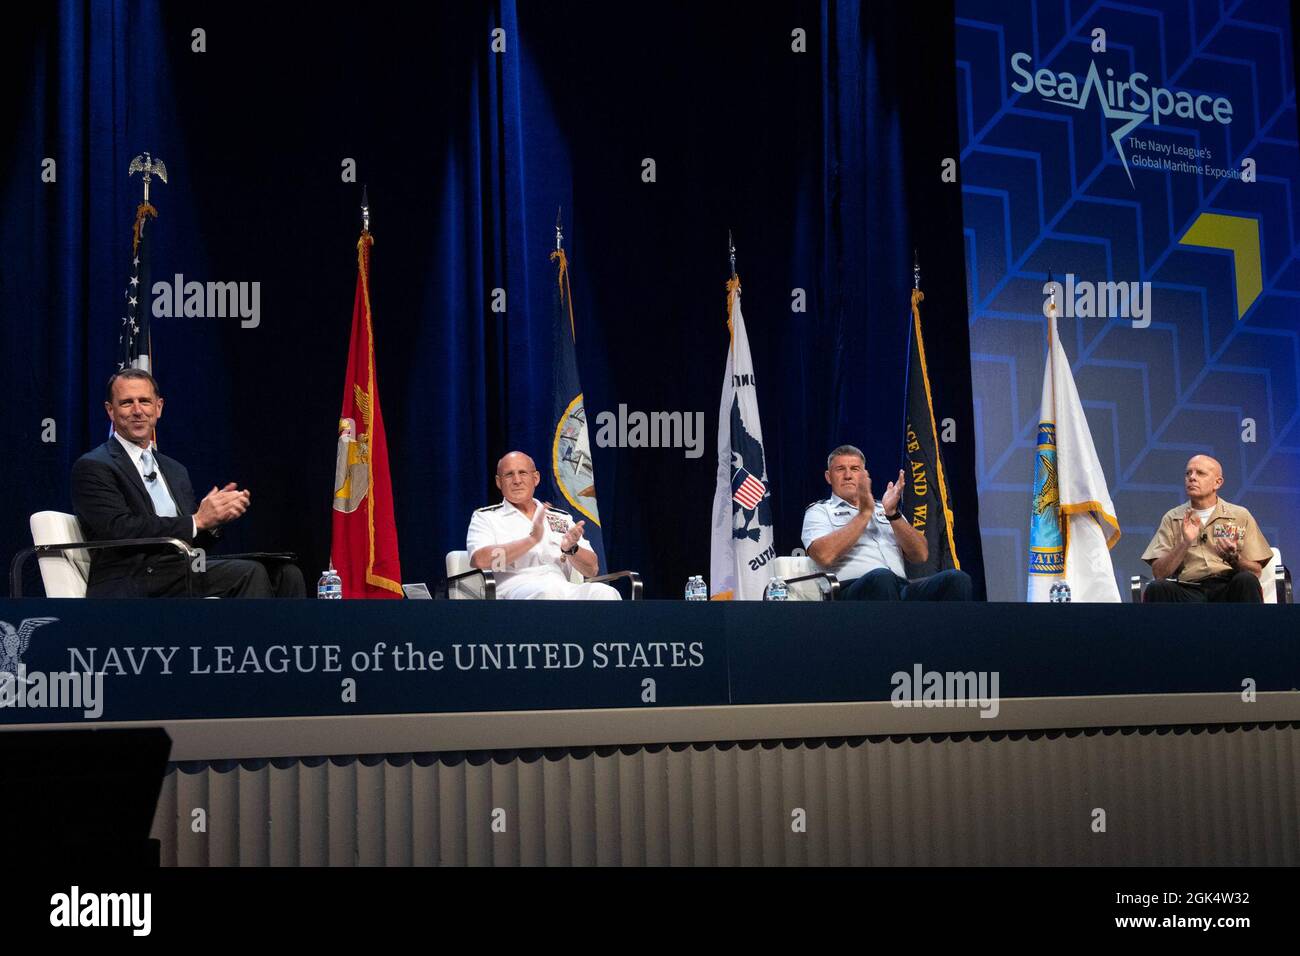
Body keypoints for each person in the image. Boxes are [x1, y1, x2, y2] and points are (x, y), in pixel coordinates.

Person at [71, 369, 305, 598]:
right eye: (126, 403)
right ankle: (253, 639)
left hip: (181, 568)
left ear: (158, 407)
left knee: (285, 573)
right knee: (248, 573)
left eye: (144, 401)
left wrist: (212, 522)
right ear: (110, 411)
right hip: (130, 577)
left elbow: (190, 539)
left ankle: (288, 639)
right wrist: (197, 520)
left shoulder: (174, 470)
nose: (137, 410)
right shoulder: (94, 466)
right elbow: (118, 530)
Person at [801, 444, 972, 601]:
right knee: (882, 578)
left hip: (899, 588)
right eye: (840, 469)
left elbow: (920, 555)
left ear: (864, 475)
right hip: (850, 591)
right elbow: (823, 556)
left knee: (956, 580)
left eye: (854, 469)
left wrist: (893, 514)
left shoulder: (885, 508)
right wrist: (864, 514)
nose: (847, 475)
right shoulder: (819, 511)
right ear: (828, 477)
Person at [466, 451, 619, 600]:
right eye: (509, 474)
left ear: (536, 478)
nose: (517, 480)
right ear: (499, 482)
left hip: (562, 587)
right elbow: (480, 560)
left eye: (523, 473)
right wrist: (531, 540)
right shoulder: (487, 517)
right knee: (548, 593)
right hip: (514, 591)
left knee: (604, 592)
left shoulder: (560, 518)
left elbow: (592, 569)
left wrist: (571, 549)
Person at [1140, 454, 1272, 603]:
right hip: (1188, 589)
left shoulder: (1240, 515)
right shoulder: (1172, 518)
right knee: (1157, 588)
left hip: (1228, 587)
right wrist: (1185, 543)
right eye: (1188, 473)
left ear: (1218, 483)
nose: (1192, 477)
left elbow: (1256, 572)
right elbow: (1159, 573)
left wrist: (1234, 559)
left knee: (1246, 580)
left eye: (1200, 473)